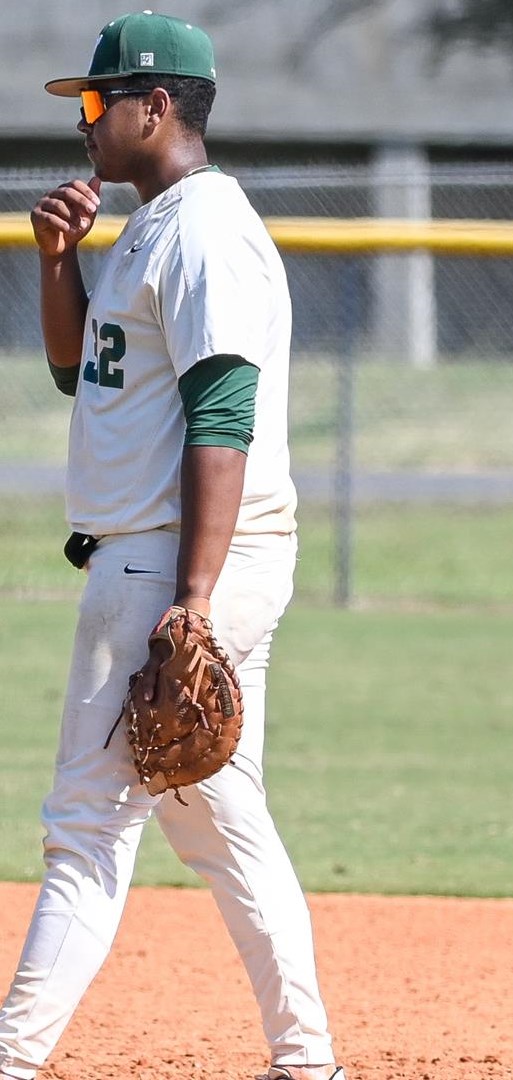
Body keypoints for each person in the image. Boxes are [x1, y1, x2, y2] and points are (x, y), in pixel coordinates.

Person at [3, 12, 347, 1080]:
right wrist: (59, 261)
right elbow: (80, 378)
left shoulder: (204, 231)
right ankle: (307, 1062)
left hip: (174, 557)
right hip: (159, 554)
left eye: (101, 103)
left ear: (160, 107)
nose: (87, 122)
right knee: (215, 819)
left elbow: (224, 414)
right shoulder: (148, 226)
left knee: (88, 826)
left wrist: (191, 598)